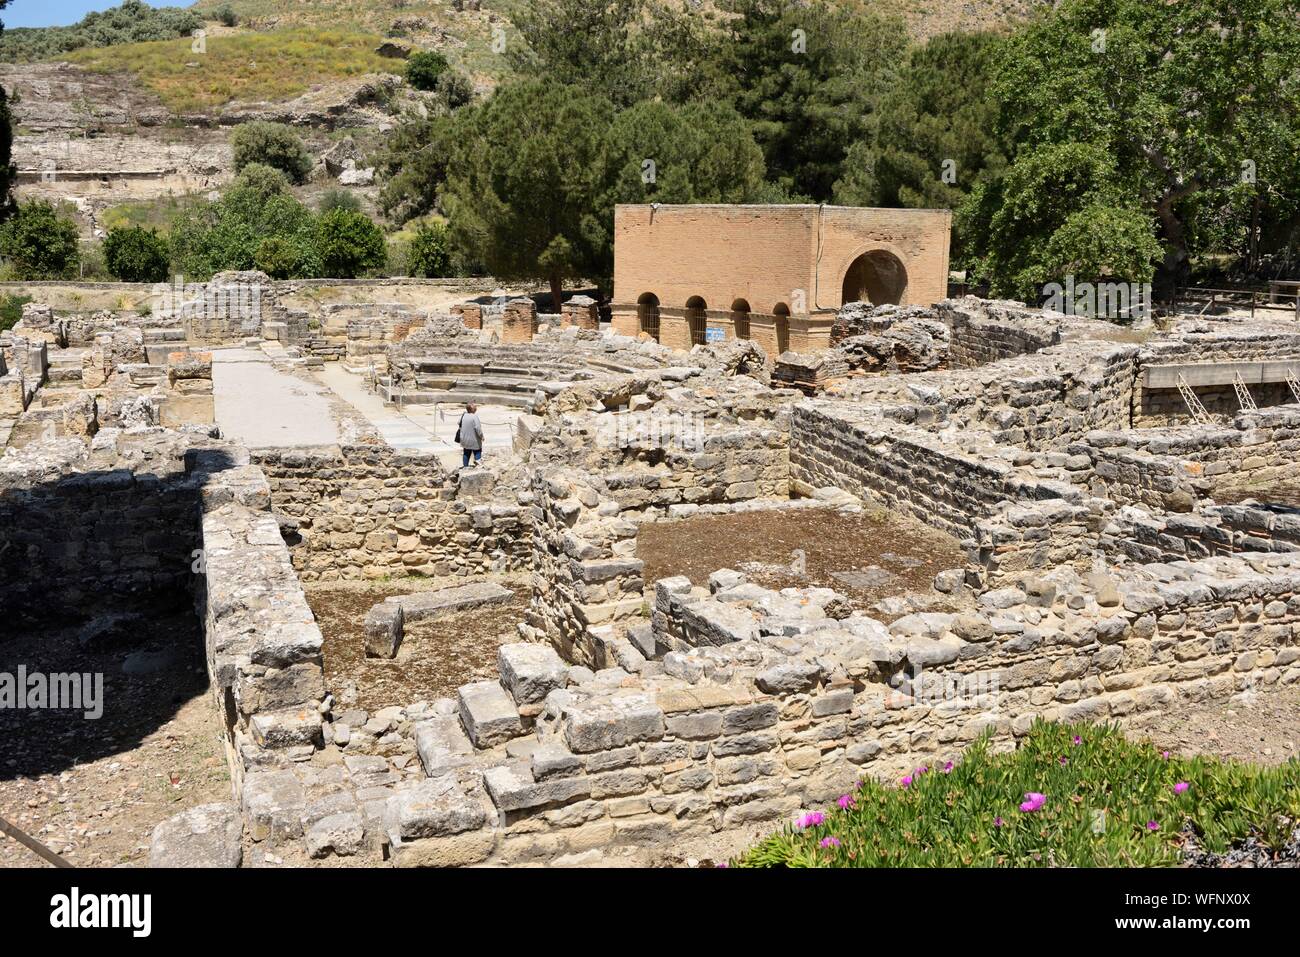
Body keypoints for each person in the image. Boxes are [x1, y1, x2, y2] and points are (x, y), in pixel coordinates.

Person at [456, 403, 484, 467]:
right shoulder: (474, 417)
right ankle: (478, 467)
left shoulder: (464, 415)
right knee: (477, 452)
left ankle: (465, 467)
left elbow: (458, 423)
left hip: (464, 439)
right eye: (475, 407)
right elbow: (478, 429)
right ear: (472, 409)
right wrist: (482, 436)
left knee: (466, 453)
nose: (476, 408)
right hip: (474, 440)